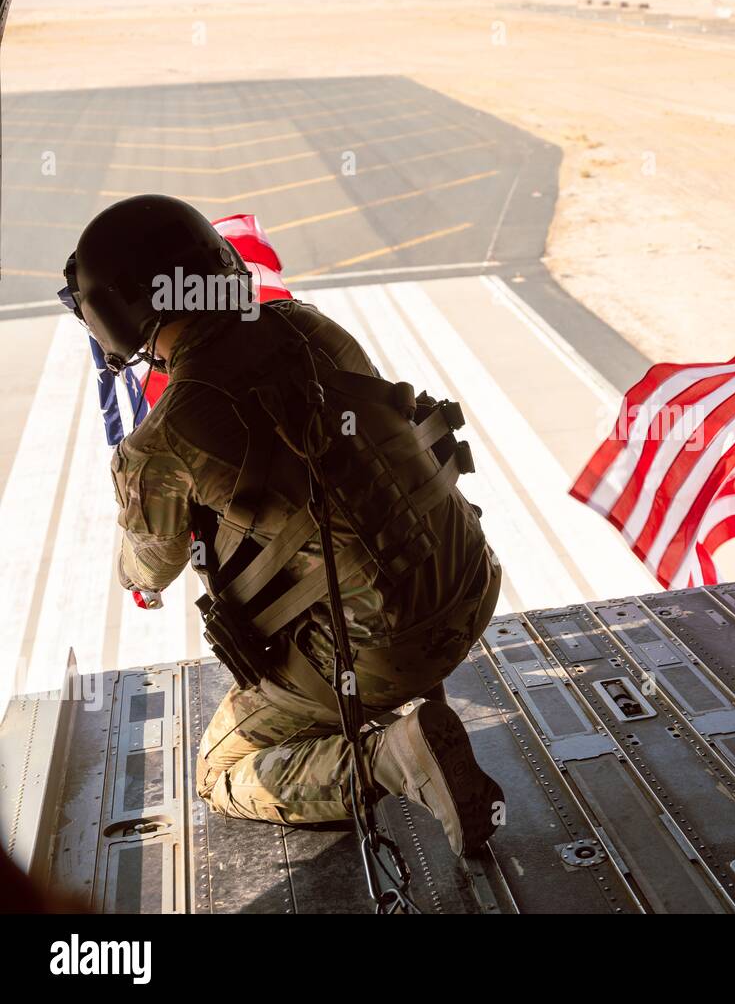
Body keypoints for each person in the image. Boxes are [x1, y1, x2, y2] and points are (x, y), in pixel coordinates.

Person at [64, 194, 504, 855]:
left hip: (382, 655)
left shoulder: (165, 439)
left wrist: (141, 489)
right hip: (471, 583)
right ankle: (398, 694)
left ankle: (398, 755)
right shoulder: (310, 325)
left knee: (215, 771)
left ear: (115, 315)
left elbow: (147, 570)